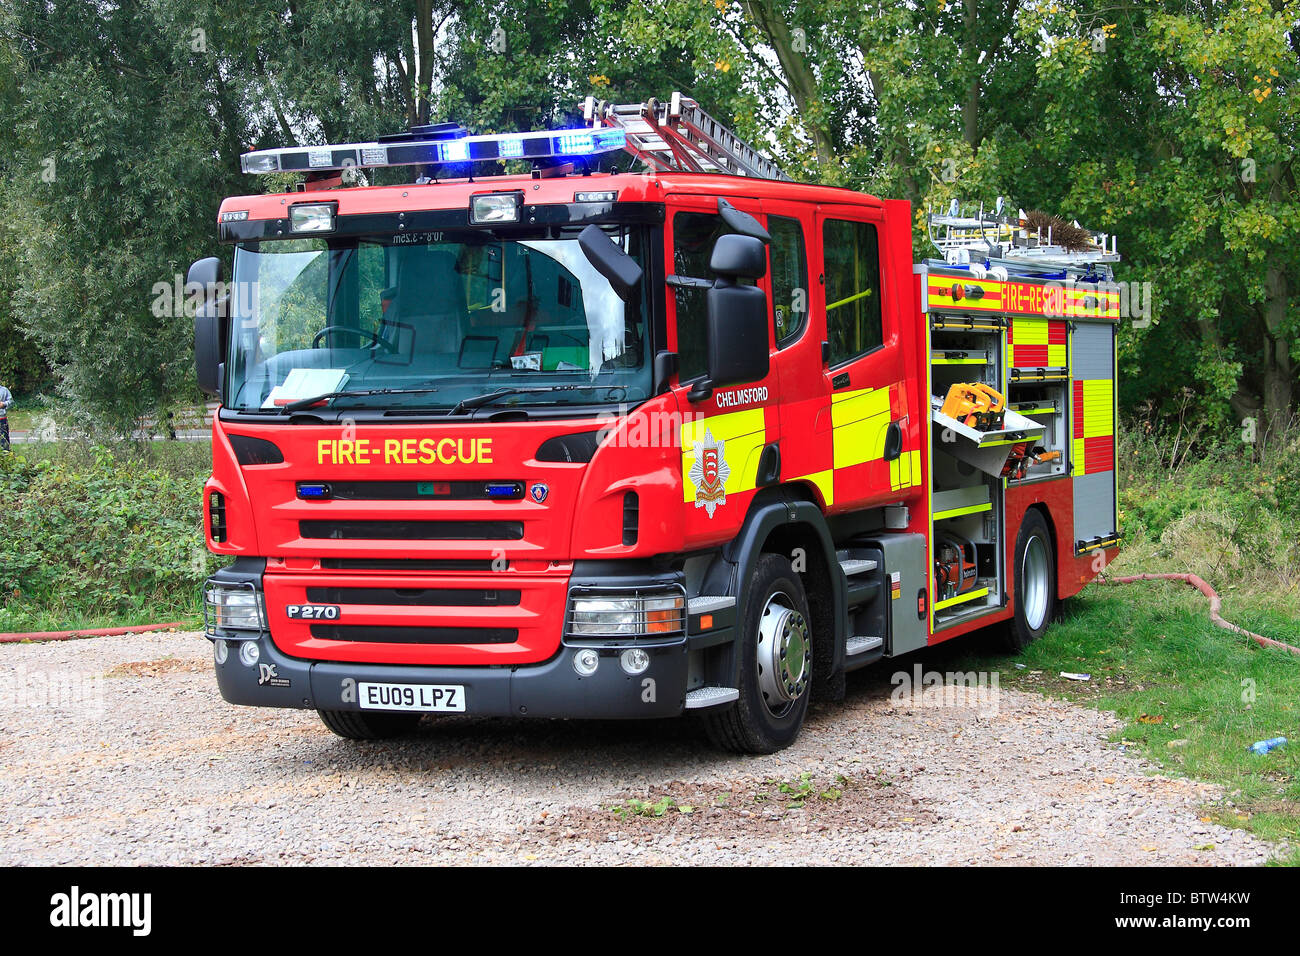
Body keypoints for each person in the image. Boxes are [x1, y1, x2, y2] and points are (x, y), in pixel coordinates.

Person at [0, 381, 11, 451]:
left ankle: (6, 455)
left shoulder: (4, 390)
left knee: (4, 441)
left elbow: (11, 402)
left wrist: (4, 404)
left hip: (2, 419)